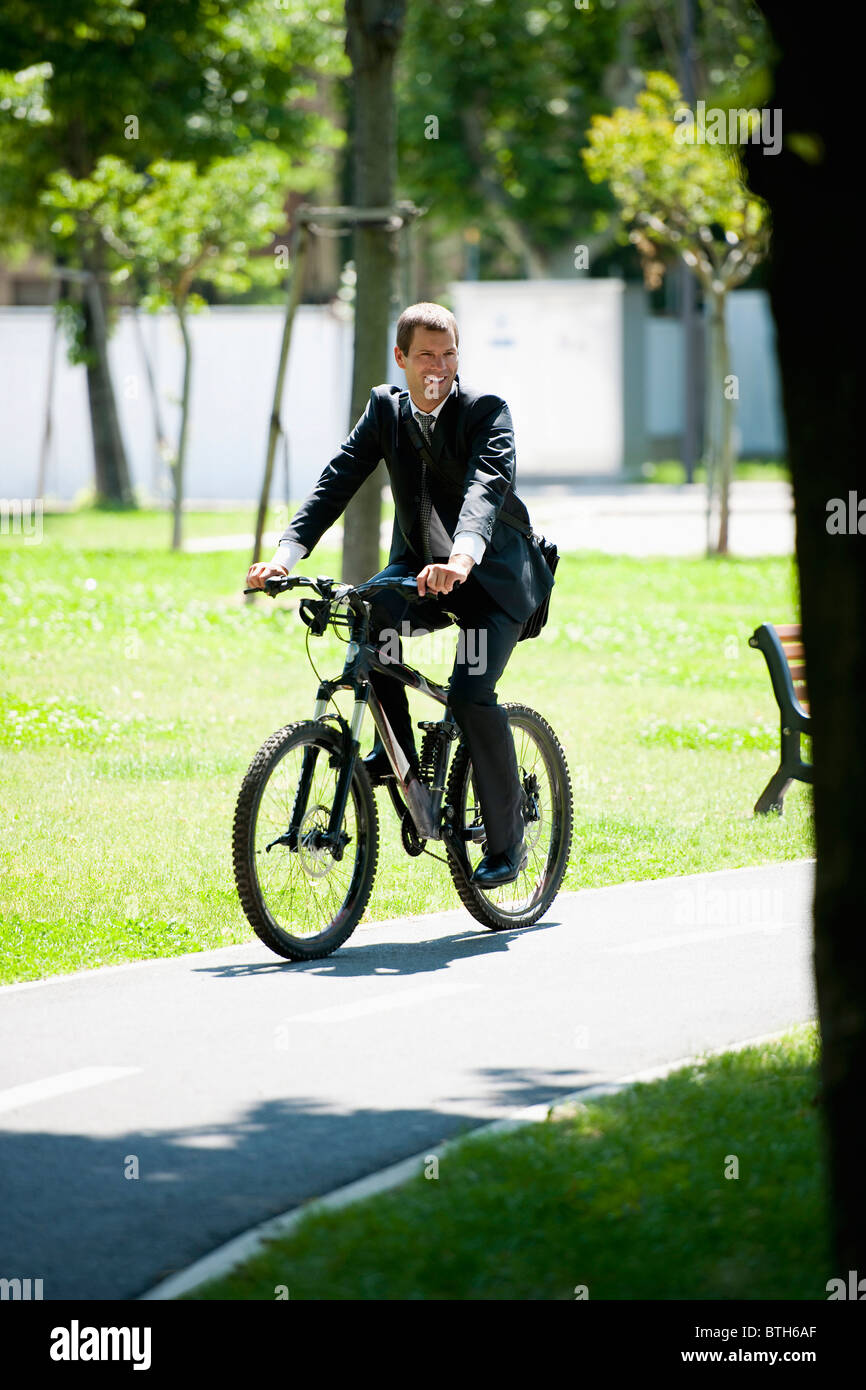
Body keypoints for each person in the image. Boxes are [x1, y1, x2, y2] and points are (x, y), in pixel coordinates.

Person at [247, 301, 553, 887]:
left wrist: (461, 557)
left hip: (490, 587)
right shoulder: (384, 411)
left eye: (448, 354)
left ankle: (506, 843)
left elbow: (485, 491)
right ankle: (401, 765)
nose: (437, 367)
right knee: (370, 622)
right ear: (401, 359)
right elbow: (336, 480)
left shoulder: (486, 412)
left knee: (469, 690)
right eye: (425, 356)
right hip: (420, 574)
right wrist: (284, 558)